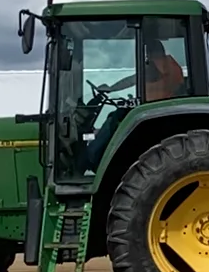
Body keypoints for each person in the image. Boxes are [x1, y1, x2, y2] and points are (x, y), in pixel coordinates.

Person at [78, 39, 184, 172]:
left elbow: (132, 80)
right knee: (119, 115)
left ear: (149, 53)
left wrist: (111, 88)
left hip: (154, 112)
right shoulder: (171, 66)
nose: (147, 58)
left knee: (114, 119)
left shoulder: (157, 66)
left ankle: (92, 157)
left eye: (147, 54)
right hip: (158, 109)